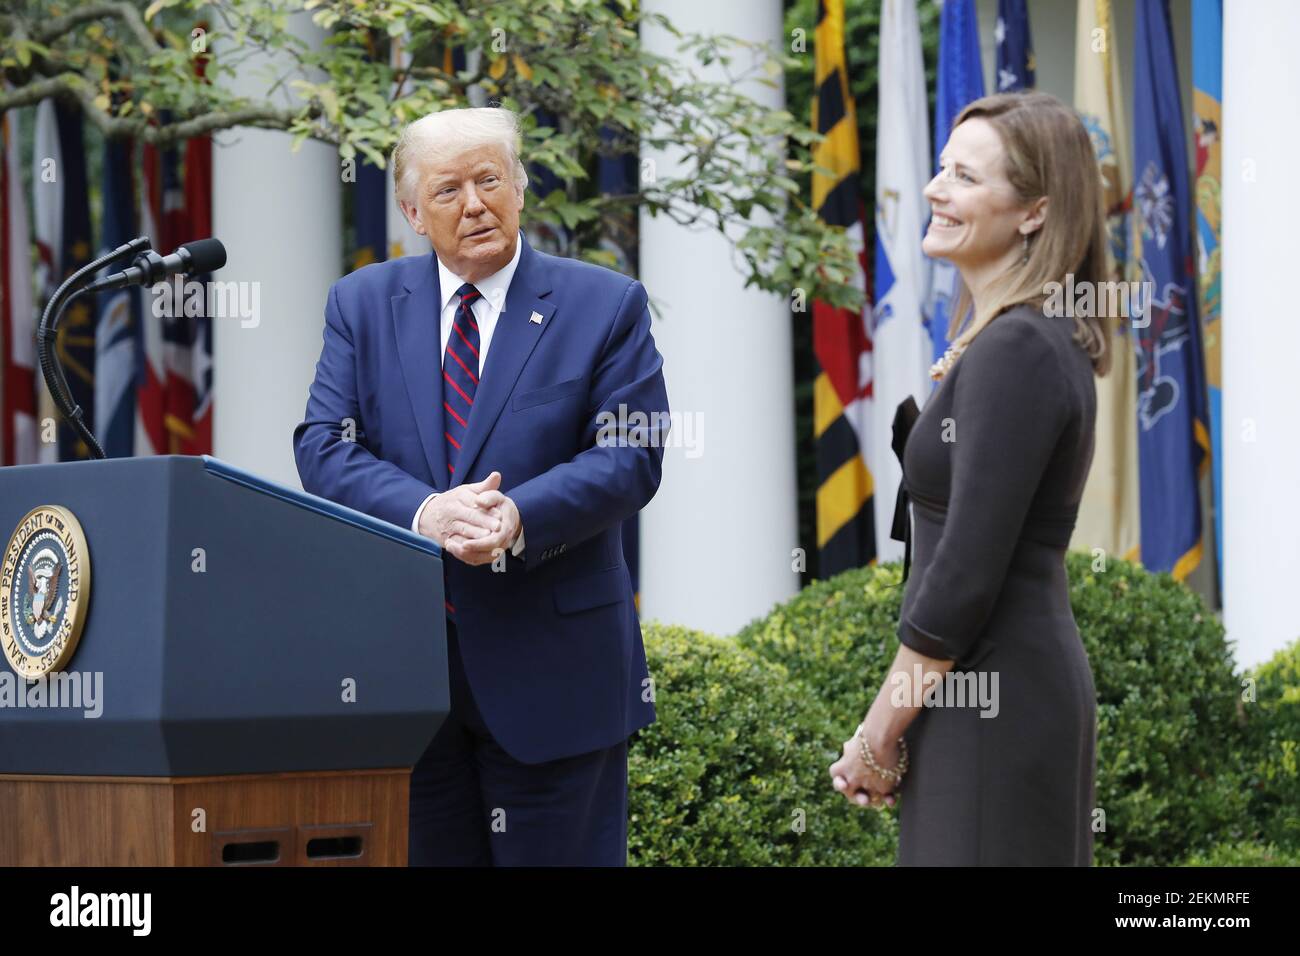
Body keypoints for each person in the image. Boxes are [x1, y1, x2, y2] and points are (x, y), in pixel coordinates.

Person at [293, 106, 669, 866]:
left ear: (521, 187)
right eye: (448, 191)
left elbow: (631, 455)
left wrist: (518, 515)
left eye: (490, 179)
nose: (473, 204)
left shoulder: (605, 304)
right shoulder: (361, 305)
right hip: (408, 683)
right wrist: (427, 510)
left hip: (556, 676)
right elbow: (324, 447)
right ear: (411, 213)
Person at [829, 91, 1110, 865]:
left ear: (1033, 213)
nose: (934, 189)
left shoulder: (1019, 349)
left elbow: (962, 575)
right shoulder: (1008, 339)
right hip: (975, 690)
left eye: (964, 176)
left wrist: (877, 732)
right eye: (940, 169)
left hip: (994, 695)